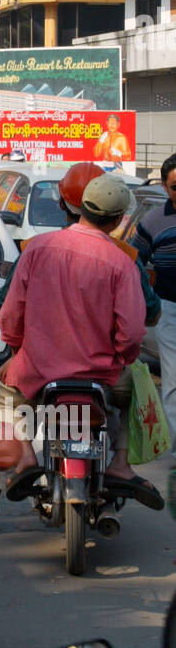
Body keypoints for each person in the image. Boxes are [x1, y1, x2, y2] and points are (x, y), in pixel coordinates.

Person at [0, 163, 162, 521]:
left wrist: (17, 349)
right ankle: (121, 465)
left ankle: (24, 460)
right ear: (118, 219)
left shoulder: (36, 249)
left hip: (39, 369)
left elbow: (11, 312)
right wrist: (124, 358)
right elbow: (131, 331)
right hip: (102, 375)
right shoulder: (124, 261)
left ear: (67, 205)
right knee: (137, 392)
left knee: (6, 400)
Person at [132, 152, 176, 453]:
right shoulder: (152, 221)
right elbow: (134, 263)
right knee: (173, 380)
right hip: (170, 309)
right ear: (165, 187)